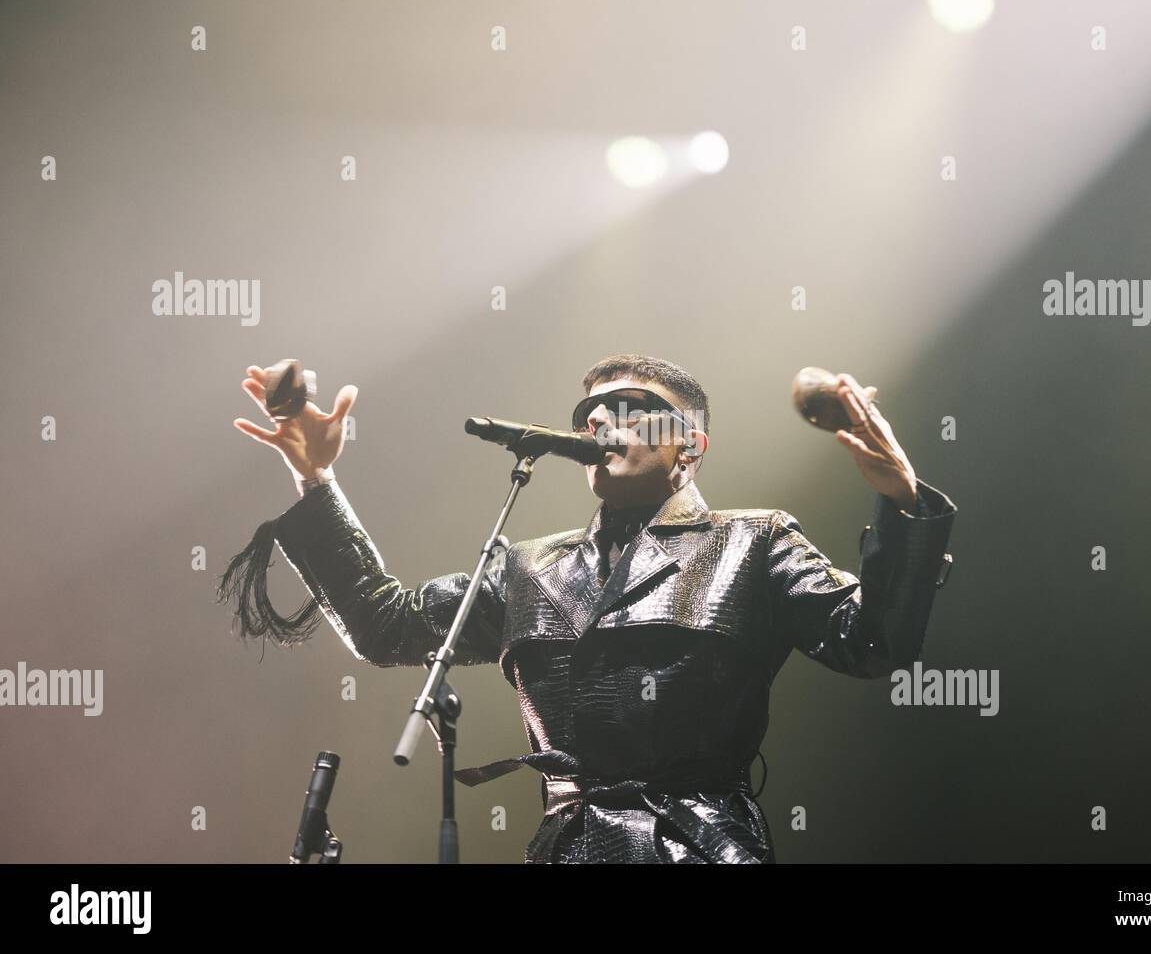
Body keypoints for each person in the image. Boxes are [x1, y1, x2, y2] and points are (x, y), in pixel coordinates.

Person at [221, 353, 957, 863]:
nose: (604, 419)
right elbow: (388, 626)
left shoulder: (751, 541)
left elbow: (874, 642)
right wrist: (316, 480)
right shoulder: (529, 566)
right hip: (567, 849)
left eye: (635, 409)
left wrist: (902, 501)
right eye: (592, 411)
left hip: (698, 846)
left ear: (689, 445)